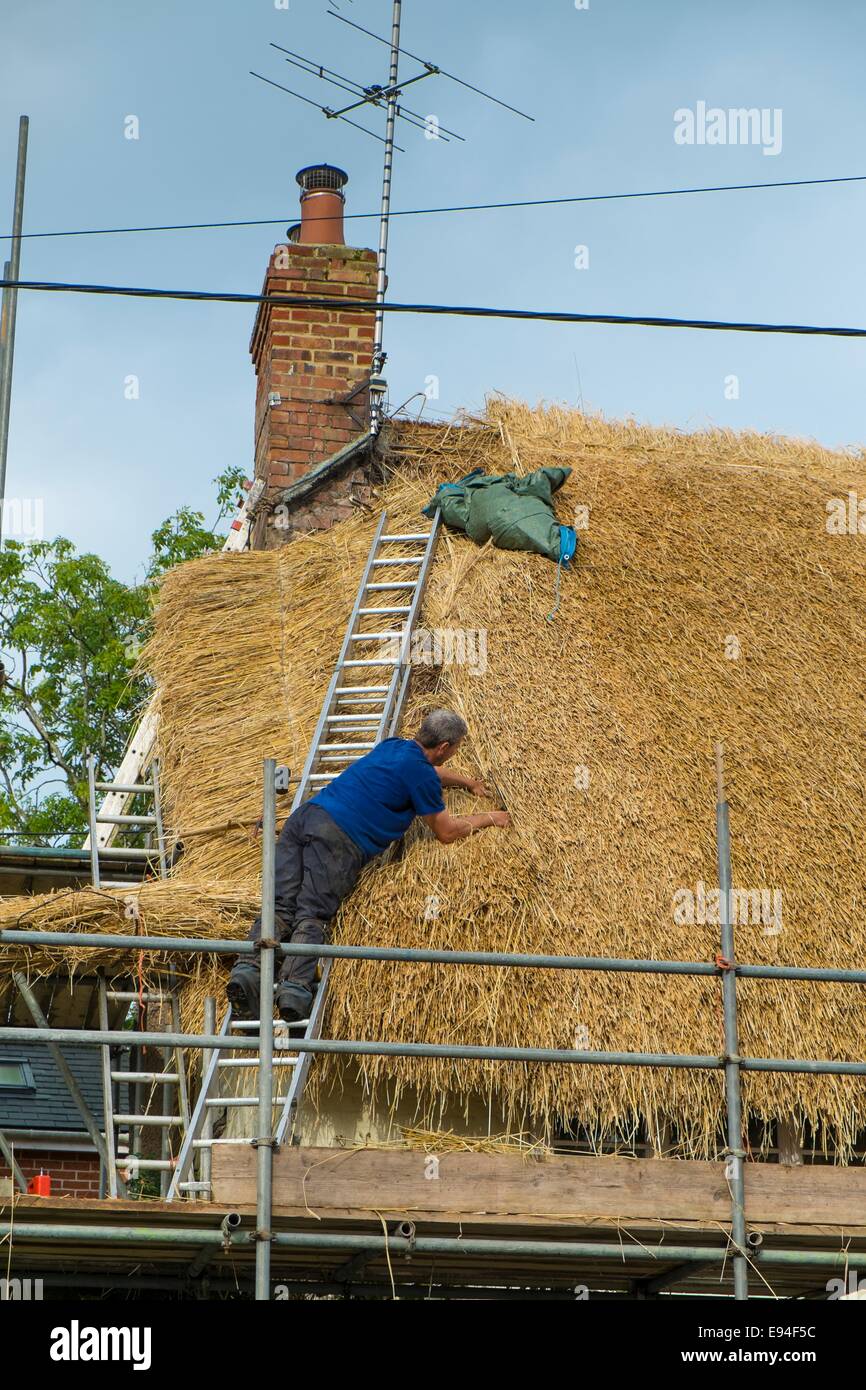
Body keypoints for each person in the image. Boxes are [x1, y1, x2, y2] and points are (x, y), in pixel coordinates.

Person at [226, 708, 511, 1022]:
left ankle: (247, 974)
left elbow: (431, 774)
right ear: (444, 747)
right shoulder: (422, 776)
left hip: (306, 817)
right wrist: (491, 818)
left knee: (278, 904)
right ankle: (294, 989)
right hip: (340, 836)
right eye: (456, 747)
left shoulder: (394, 747)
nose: (455, 752)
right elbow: (446, 832)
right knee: (313, 911)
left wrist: (467, 782)